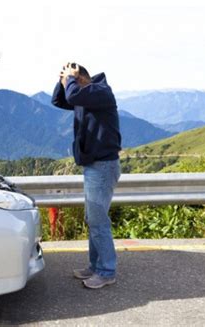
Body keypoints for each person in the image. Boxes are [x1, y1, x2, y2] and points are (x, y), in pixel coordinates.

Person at [51, 62, 122, 289]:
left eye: (71, 79)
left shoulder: (100, 92)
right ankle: (95, 266)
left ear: (81, 77)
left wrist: (70, 79)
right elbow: (59, 100)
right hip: (94, 165)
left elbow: (72, 97)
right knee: (93, 219)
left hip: (103, 166)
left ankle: (106, 271)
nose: (69, 84)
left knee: (98, 220)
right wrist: (61, 80)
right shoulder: (84, 96)